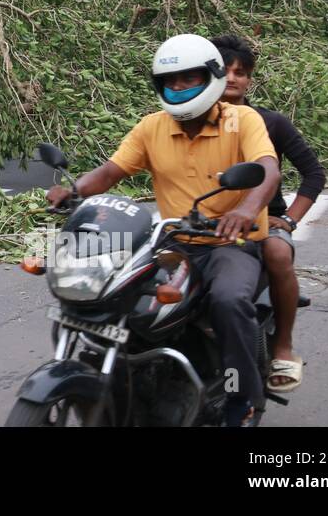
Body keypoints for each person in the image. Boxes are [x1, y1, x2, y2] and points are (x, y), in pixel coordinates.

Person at [47, 33, 282, 427]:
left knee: (228, 300)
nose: (176, 87)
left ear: (211, 77)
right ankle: (133, 381)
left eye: (187, 79)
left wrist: (246, 209)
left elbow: (268, 169)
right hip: (173, 243)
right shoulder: (151, 127)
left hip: (231, 243)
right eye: (169, 81)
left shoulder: (244, 120)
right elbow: (111, 172)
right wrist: (73, 191)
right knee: (118, 297)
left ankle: (242, 399)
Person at [211, 34, 325, 394]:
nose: (233, 78)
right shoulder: (191, 120)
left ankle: (284, 347)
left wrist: (288, 219)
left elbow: (314, 174)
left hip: (262, 222)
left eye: (241, 72)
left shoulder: (270, 123)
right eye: (224, 71)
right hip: (204, 222)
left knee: (277, 251)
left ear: (249, 79)